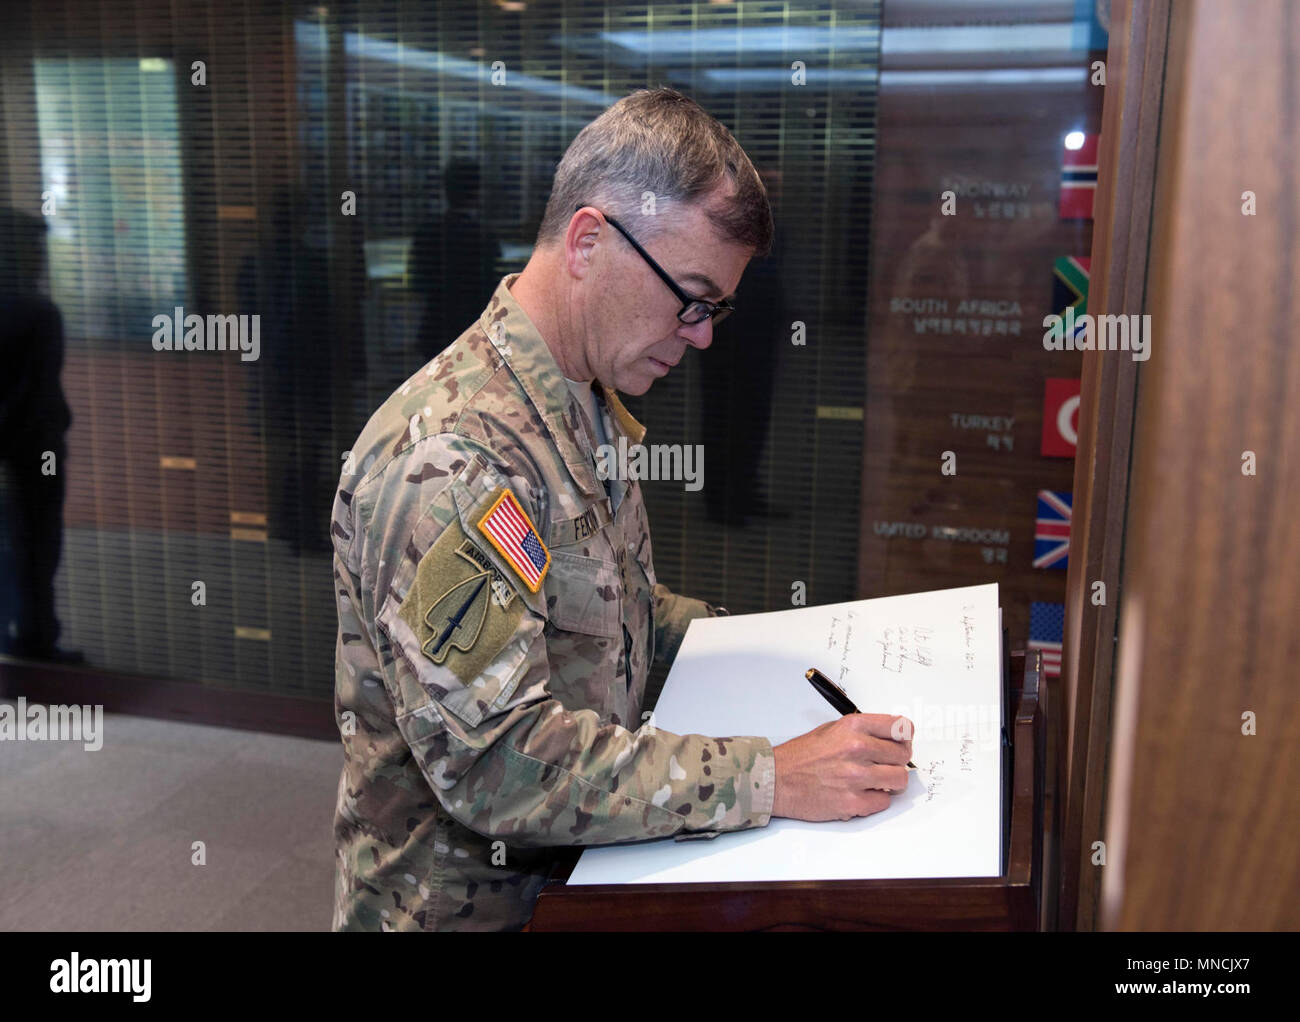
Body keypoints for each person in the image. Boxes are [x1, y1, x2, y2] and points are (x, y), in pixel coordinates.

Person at [331, 87, 913, 932]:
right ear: (590, 242)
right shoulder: (454, 458)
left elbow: (612, 614)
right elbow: (498, 763)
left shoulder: (578, 397)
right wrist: (772, 778)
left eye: (716, 307)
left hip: (578, 891)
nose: (703, 333)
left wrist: (765, 652)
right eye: (692, 295)